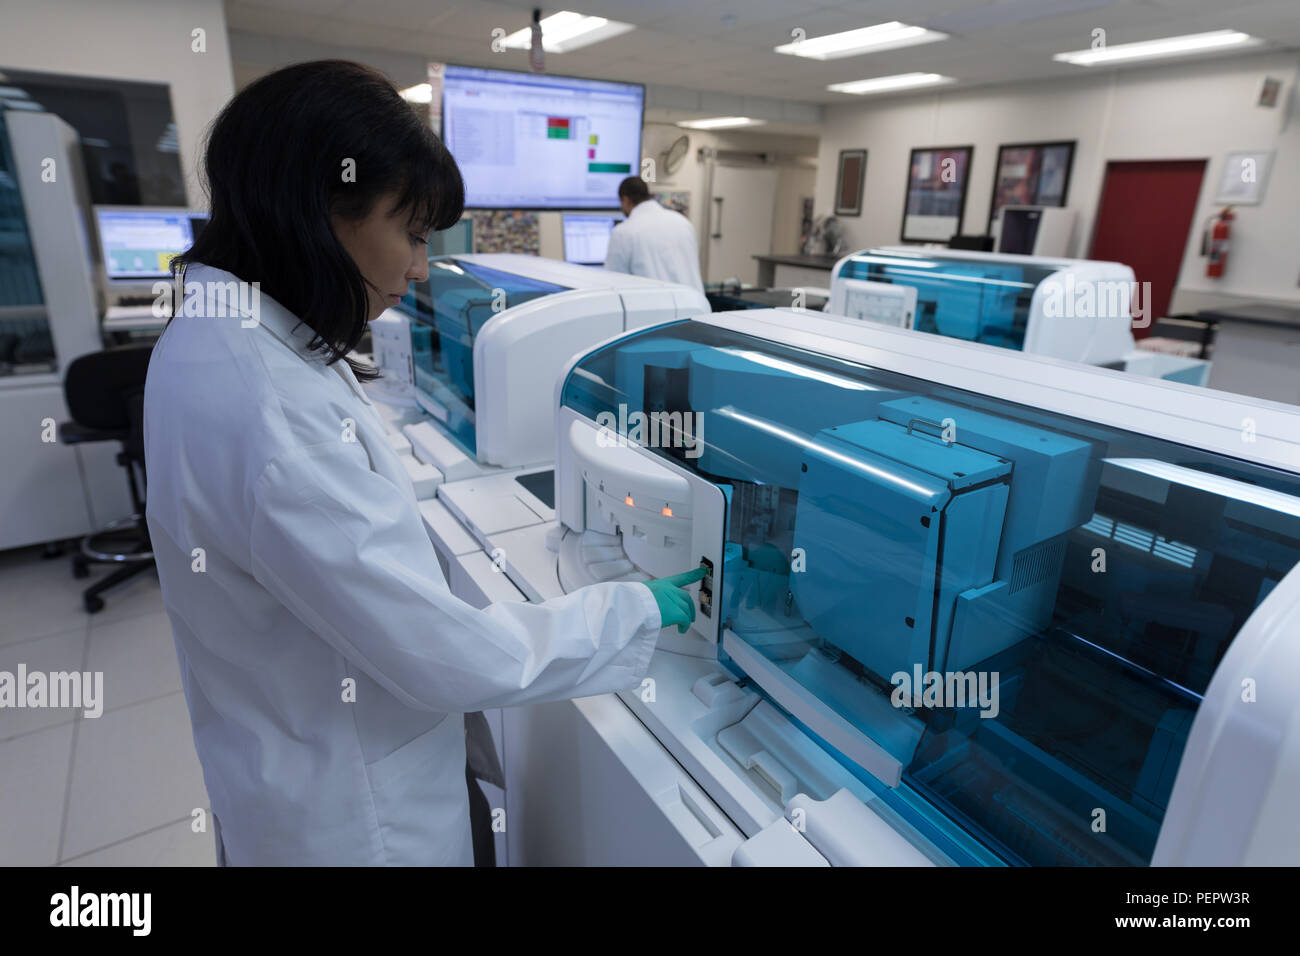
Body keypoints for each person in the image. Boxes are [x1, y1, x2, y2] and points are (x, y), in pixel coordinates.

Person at [143, 60, 704, 866]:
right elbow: (448, 654)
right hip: (355, 817)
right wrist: (636, 609)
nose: (417, 268)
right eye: (409, 233)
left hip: (277, 765)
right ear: (320, 213)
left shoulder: (220, 331)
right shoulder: (266, 400)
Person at [605, 176, 704, 293]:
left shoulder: (623, 232)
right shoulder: (683, 222)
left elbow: (612, 283)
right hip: (697, 306)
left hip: (658, 308)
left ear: (625, 200)